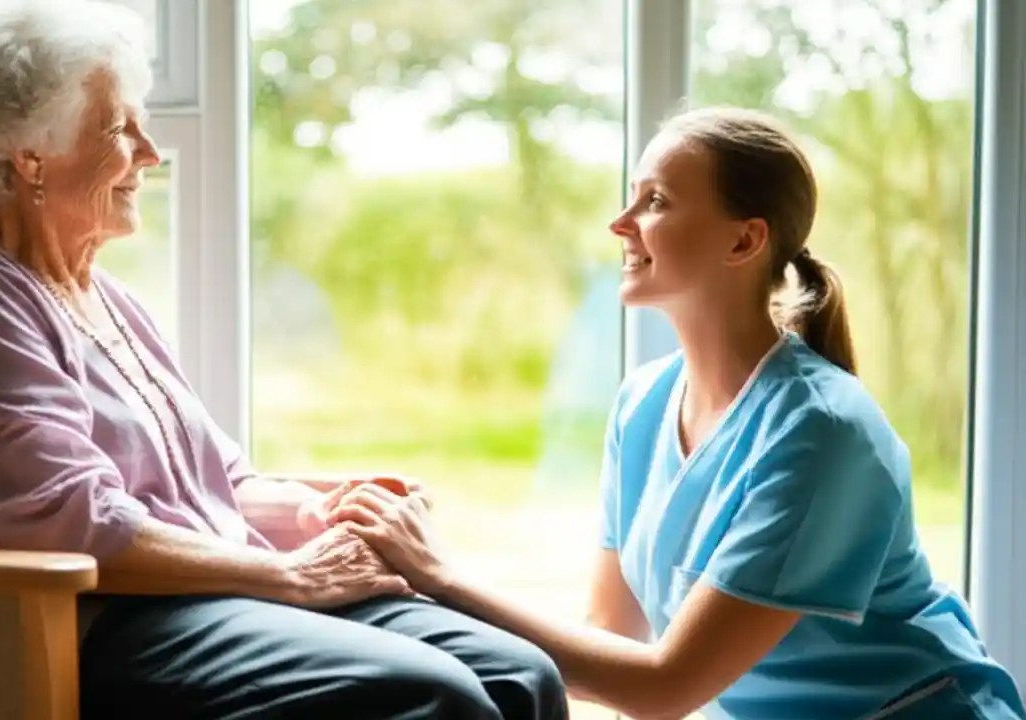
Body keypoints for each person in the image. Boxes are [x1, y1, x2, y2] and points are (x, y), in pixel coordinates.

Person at [0, 2, 567, 718]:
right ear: (30, 156)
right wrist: (286, 575)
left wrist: (330, 509)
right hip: (97, 625)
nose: (150, 152)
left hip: (207, 594)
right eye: (118, 128)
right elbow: (67, 521)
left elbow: (215, 484)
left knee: (521, 674)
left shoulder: (108, 299)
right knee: (437, 699)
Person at [333, 107, 1026, 719]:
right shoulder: (642, 404)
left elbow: (663, 688)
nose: (621, 223)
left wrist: (438, 576)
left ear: (743, 241)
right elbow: (611, 637)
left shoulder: (823, 433)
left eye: (656, 200)